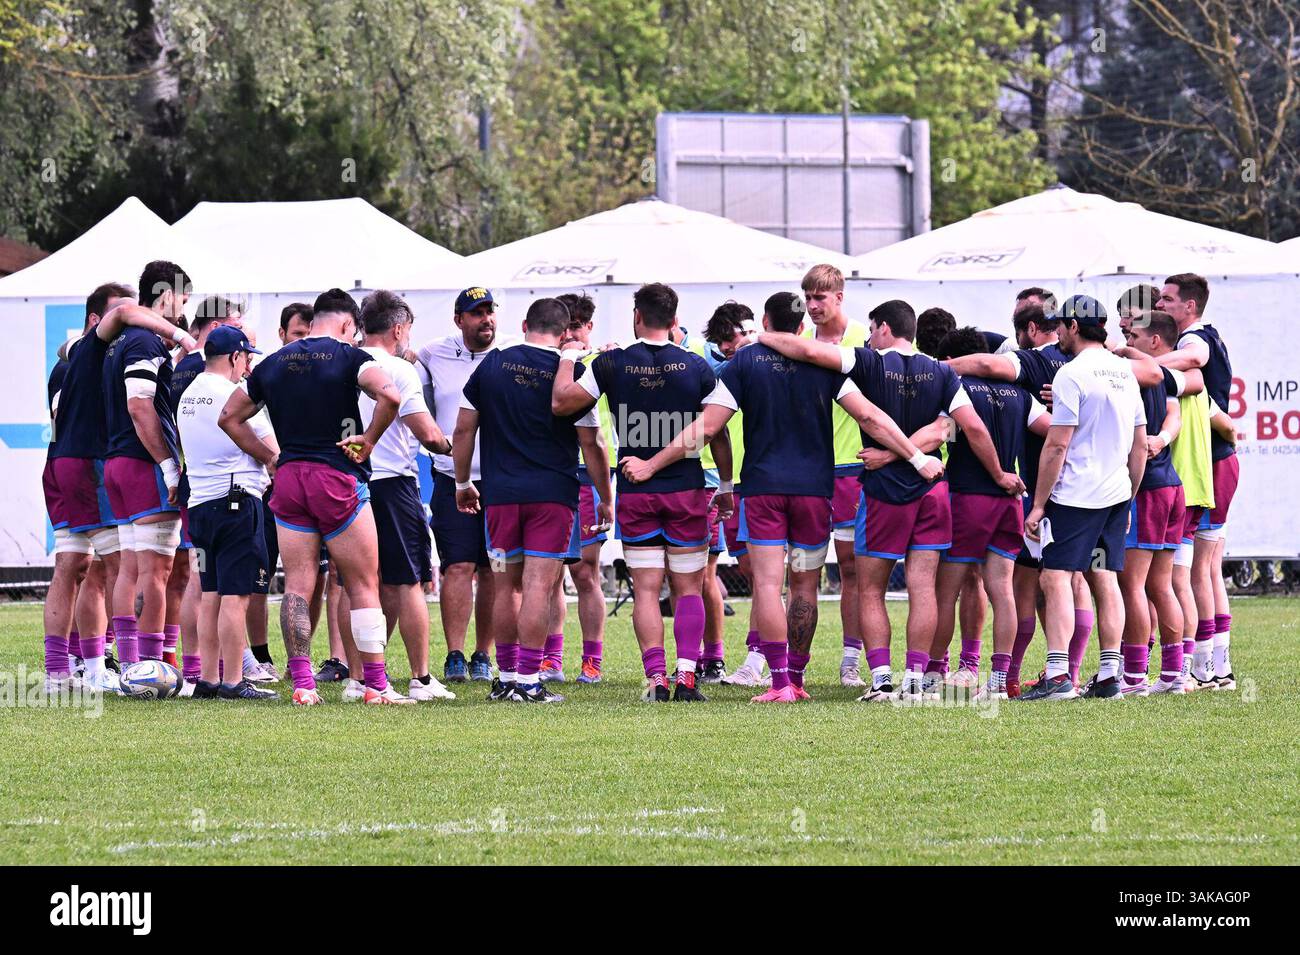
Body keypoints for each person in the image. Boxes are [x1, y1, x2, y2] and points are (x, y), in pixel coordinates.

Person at [628, 292, 942, 703]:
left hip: (763, 490)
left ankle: (779, 683)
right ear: (801, 328)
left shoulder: (745, 361)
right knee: (805, 586)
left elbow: (707, 428)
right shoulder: (822, 359)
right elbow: (867, 416)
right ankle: (797, 676)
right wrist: (915, 456)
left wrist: (652, 464)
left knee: (768, 583)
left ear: (764, 320)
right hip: (814, 490)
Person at [760, 299, 1013, 703]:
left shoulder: (870, 363)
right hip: (933, 493)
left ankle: (880, 681)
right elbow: (971, 428)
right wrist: (1000, 474)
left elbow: (808, 350)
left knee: (871, 590)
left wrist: (761, 336)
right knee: (924, 589)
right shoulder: (942, 372)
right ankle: (915, 680)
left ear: (881, 329)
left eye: (873, 330)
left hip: (884, 493)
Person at [220, 287, 409, 705]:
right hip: (336, 477)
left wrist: (270, 456)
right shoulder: (349, 356)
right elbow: (391, 395)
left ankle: (303, 685)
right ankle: (376, 686)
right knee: (363, 583)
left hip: (290, 481)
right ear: (347, 325)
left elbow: (229, 417)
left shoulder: (271, 363)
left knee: (298, 585)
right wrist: (370, 440)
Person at [552, 283, 728, 702]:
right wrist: (726, 483)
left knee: (646, 590)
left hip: (636, 491)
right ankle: (687, 675)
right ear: (674, 319)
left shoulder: (610, 363)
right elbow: (715, 430)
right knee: (688, 588)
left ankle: (655, 679)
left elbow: (562, 403)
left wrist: (567, 356)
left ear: (636, 316)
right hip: (686, 489)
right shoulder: (696, 366)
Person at [452, 297, 611, 704]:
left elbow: (464, 428)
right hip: (552, 497)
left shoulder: (491, 365)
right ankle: (527, 680)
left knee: (506, 586)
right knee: (539, 585)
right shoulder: (571, 371)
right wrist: (605, 497)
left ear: (524, 324)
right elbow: (591, 444)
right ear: (563, 334)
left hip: (501, 495)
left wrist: (462, 482)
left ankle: (505, 679)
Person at [43, 282, 192, 692]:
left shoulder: (80, 353)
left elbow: (68, 347)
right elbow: (126, 312)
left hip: (60, 463)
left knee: (74, 567)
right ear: (99, 320)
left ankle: (62, 669)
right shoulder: (106, 343)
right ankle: (122, 668)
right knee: (121, 564)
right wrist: (181, 335)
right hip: (88, 463)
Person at [1022, 295, 1147, 701]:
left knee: (1055, 576)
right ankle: (1110, 674)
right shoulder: (1126, 372)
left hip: (1075, 495)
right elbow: (1139, 443)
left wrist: (1039, 505)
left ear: (1074, 327)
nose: (1056, 331)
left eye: (1060, 325)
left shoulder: (1071, 374)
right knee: (1104, 577)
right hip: (1115, 494)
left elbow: (1057, 446)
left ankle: (1058, 674)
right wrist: (1130, 494)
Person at [929, 327, 1048, 699]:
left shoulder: (956, 390)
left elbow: (950, 434)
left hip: (968, 498)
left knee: (945, 592)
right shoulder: (1021, 395)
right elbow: (1057, 430)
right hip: (1009, 501)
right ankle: (999, 681)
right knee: (1002, 591)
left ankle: (934, 676)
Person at [357, 290, 456, 702]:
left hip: (354, 482)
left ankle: (363, 676)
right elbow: (428, 435)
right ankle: (421, 676)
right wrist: (457, 446)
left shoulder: (347, 362)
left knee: (366, 584)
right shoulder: (398, 368)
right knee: (411, 581)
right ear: (399, 328)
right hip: (393, 482)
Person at [176, 325, 278, 700]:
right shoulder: (235, 395)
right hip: (236, 501)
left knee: (212, 592)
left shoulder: (188, 394)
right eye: (247, 357)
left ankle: (208, 678)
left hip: (200, 505)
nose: (248, 365)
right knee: (237, 595)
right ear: (235, 357)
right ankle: (234, 681)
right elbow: (270, 446)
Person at [101, 261, 193, 671]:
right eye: (184, 298)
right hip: (141, 464)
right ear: (167, 294)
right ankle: (150, 665)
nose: (183, 308)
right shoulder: (143, 341)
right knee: (156, 569)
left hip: (117, 464)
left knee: (132, 568)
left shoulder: (119, 340)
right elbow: (139, 407)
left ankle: (133, 663)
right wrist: (168, 464)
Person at [416, 287, 507, 683]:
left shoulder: (510, 352)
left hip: (502, 478)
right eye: (477, 313)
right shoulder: (433, 352)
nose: (486, 319)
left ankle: (482, 655)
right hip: (451, 476)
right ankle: (454, 655)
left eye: (489, 311)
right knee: (458, 565)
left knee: (492, 569)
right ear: (459, 320)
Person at [1154, 273, 1238, 690]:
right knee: (1206, 570)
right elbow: (1223, 419)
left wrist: (1134, 364)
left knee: (1192, 573)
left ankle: (1198, 667)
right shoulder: (1207, 337)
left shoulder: (1197, 339)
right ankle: (1215, 668)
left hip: (1207, 466)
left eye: (1167, 299)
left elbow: (1194, 361)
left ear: (1189, 306)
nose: (1161, 304)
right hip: (1215, 462)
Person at [1115, 311, 1205, 695]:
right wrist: (1164, 439)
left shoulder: (1130, 374)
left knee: (1132, 585)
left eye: (1133, 334)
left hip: (1147, 489)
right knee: (1161, 585)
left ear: (1154, 341)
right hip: (1172, 486)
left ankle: (1134, 677)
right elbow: (1180, 404)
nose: (1127, 340)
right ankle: (1172, 675)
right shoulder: (1163, 376)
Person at [800, 265, 876, 688]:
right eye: (808, 297)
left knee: (851, 569)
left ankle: (851, 659)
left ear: (839, 298)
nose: (813, 305)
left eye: (820, 298)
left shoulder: (865, 340)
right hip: (807, 474)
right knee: (802, 569)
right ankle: (792, 663)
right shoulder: (798, 341)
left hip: (851, 469)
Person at [167, 295, 245, 688]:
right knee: (218, 586)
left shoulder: (182, 371)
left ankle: (200, 670)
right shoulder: (218, 383)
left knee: (200, 580)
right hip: (222, 492)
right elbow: (252, 434)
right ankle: (225, 673)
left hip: (193, 490)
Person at [542, 291, 613, 684]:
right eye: (564, 326)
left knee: (586, 571)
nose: (569, 334)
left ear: (588, 328)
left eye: (576, 326)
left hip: (590, 473)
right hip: (555, 471)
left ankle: (592, 659)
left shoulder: (603, 362)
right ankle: (551, 658)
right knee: (549, 571)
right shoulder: (552, 364)